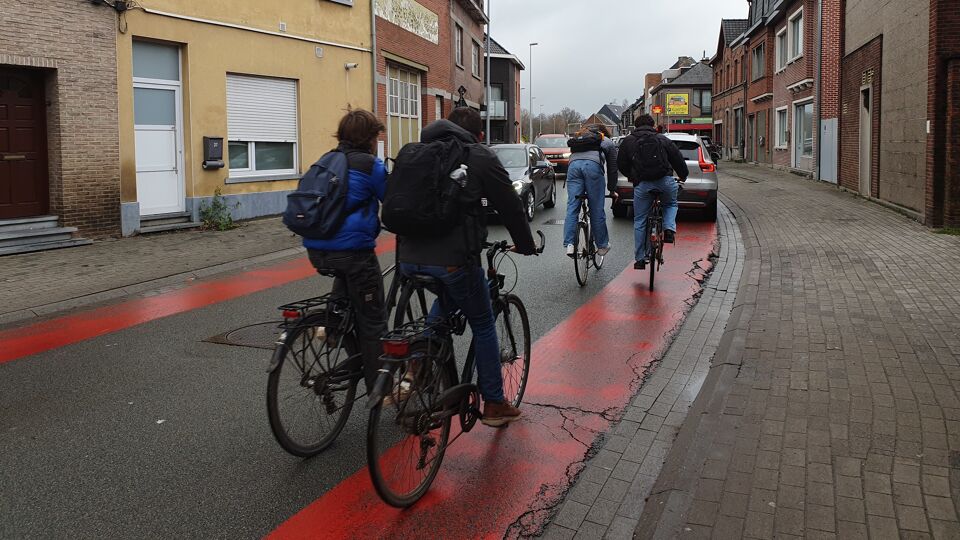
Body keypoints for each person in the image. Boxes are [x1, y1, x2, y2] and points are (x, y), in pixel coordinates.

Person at [397, 107, 537, 427]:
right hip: (453, 260)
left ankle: (417, 363)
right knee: (483, 321)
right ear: (480, 134)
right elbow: (511, 208)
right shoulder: (479, 156)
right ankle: (495, 404)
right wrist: (526, 245)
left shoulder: (418, 153)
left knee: (446, 297)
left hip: (409, 259)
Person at [302, 109, 388, 390]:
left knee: (347, 273)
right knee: (374, 321)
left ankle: (332, 325)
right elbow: (393, 200)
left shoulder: (326, 160)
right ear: (369, 138)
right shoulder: (370, 165)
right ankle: (382, 391)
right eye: (376, 136)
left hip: (316, 250)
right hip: (354, 253)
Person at [617, 113, 688, 270]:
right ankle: (669, 228)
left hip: (642, 184)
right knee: (670, 204)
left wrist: (632, 176)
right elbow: (677, 159)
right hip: (665, 181)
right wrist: (683, 176)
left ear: (635, 126)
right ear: (653, 125)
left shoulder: (629, 141)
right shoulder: (662, 139)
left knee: (640, 219)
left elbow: (620, 163)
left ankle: (640, 259)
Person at [564, 124, 618, 258]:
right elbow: (612, 169)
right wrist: (612, 190)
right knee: (596, 208)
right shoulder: (606, 141)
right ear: (604, 132)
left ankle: (570, 244)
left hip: (573, 167)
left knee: (572, 206)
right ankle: (602, 246)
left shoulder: (579, 138)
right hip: (592, 167)